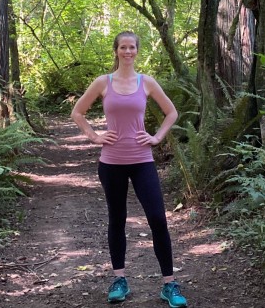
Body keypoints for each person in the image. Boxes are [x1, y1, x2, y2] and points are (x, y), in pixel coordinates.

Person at [71, 31, 187, 307]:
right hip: (111, 162)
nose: (127, 51)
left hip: (142, 160)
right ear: (116, 51)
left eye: (132, 47)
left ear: (137, 50)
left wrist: (157, 137)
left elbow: (172, 112)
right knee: (117, 219)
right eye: (123, 47)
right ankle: (119, 279)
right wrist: (95, 137)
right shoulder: (103, 82)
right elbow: (78, 113)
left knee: (158, 218)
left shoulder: (146, 82)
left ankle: (169, 284)